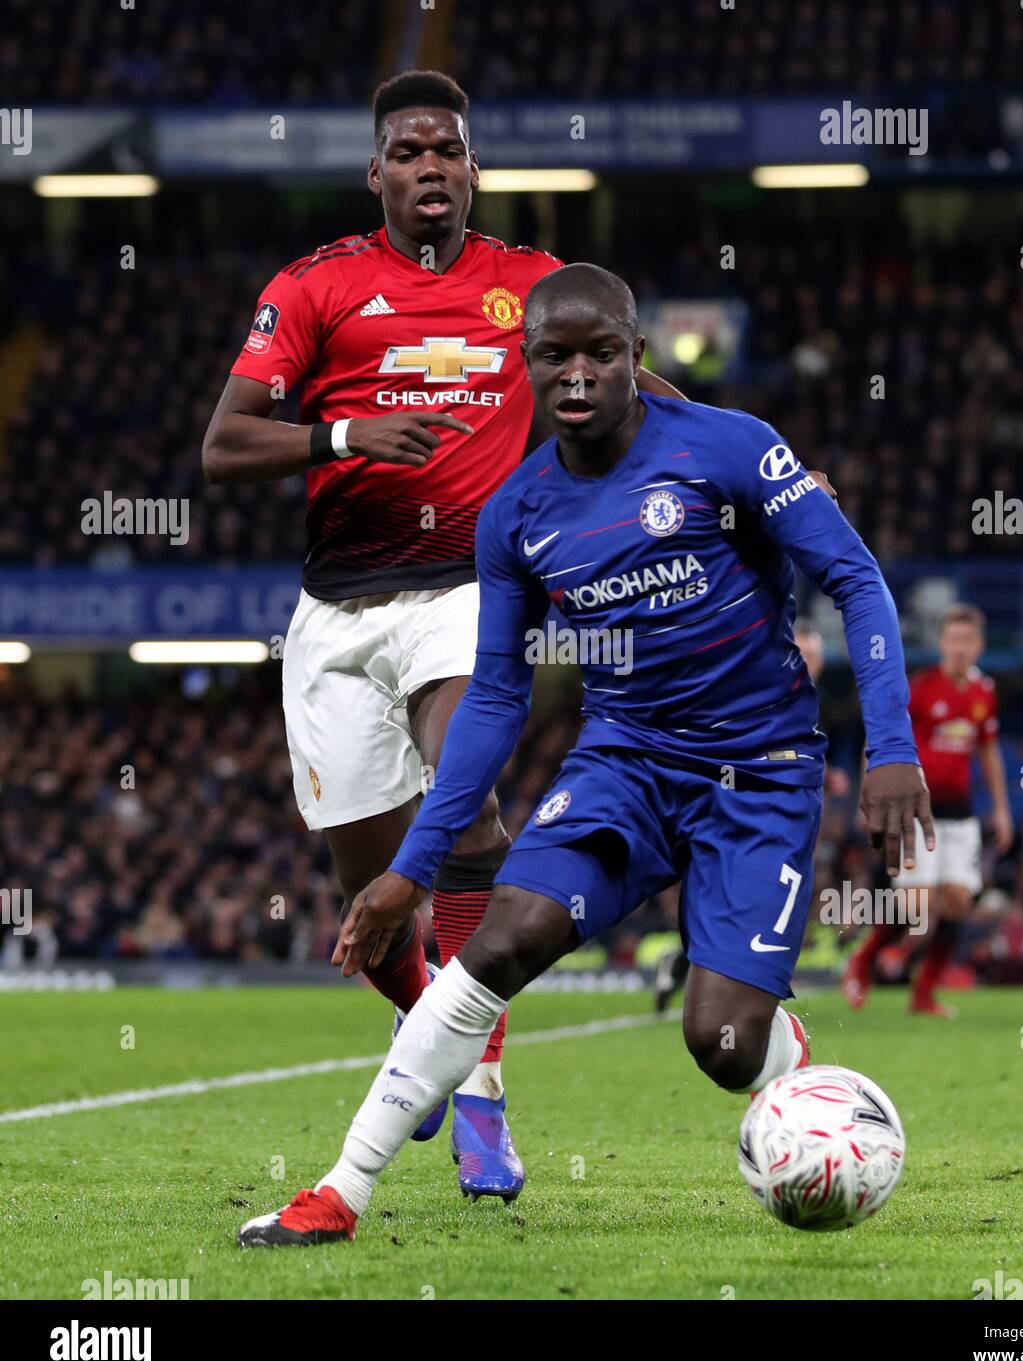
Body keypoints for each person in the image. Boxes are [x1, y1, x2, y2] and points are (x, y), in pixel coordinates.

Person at [238, 262, 932, 1246]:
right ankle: (340, 1190)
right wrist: (411, 867)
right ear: (525, 365)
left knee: (721, 1044)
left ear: (635, 358)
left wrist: (890, 749)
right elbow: (494, 700)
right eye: (554, 355)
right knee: (498, 943)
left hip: (761, 773)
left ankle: (783, 1053)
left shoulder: (731, 448)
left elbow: (857, 580)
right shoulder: (516, 514)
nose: (577, 373)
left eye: (599, 352)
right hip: (625, 766)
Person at [202, 71, 686, 1199]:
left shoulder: (528, 287)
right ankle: (439, 1044)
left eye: (450, 150)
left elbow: (630, 386)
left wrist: (764, 470)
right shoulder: (316, 287)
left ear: (473, 170)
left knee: (467, 807)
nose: (432, 166)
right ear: (377, 172)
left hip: (468, 588)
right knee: (373, 919)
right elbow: (225, 446)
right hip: (333, 615)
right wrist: (344, 431)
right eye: (410, 151)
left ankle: (480, 1095)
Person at [652, 619, 852, 1012]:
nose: (807, 662)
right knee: (728, 897)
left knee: (778, 894)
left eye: (813, 656)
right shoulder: (759, 694)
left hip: (788, 820)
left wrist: (829, 776)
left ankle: (748, 973)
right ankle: (695, 966)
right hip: (738, 813)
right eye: (801, 654)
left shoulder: (816, 704)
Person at [842, 603, 1012, 1016]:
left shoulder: (983, 692)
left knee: (957, 902)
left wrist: (1002, 809)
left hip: (961, 813)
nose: (960, 648)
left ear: (979, 645)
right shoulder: (918, 688)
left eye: (967, 640)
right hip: (916, 809)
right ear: (941, 643)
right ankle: (864, 960)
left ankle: (923, 994)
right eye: (953, 639)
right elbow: (880, 737)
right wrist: (872, 794)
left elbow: (988, 752)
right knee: (919, 904)